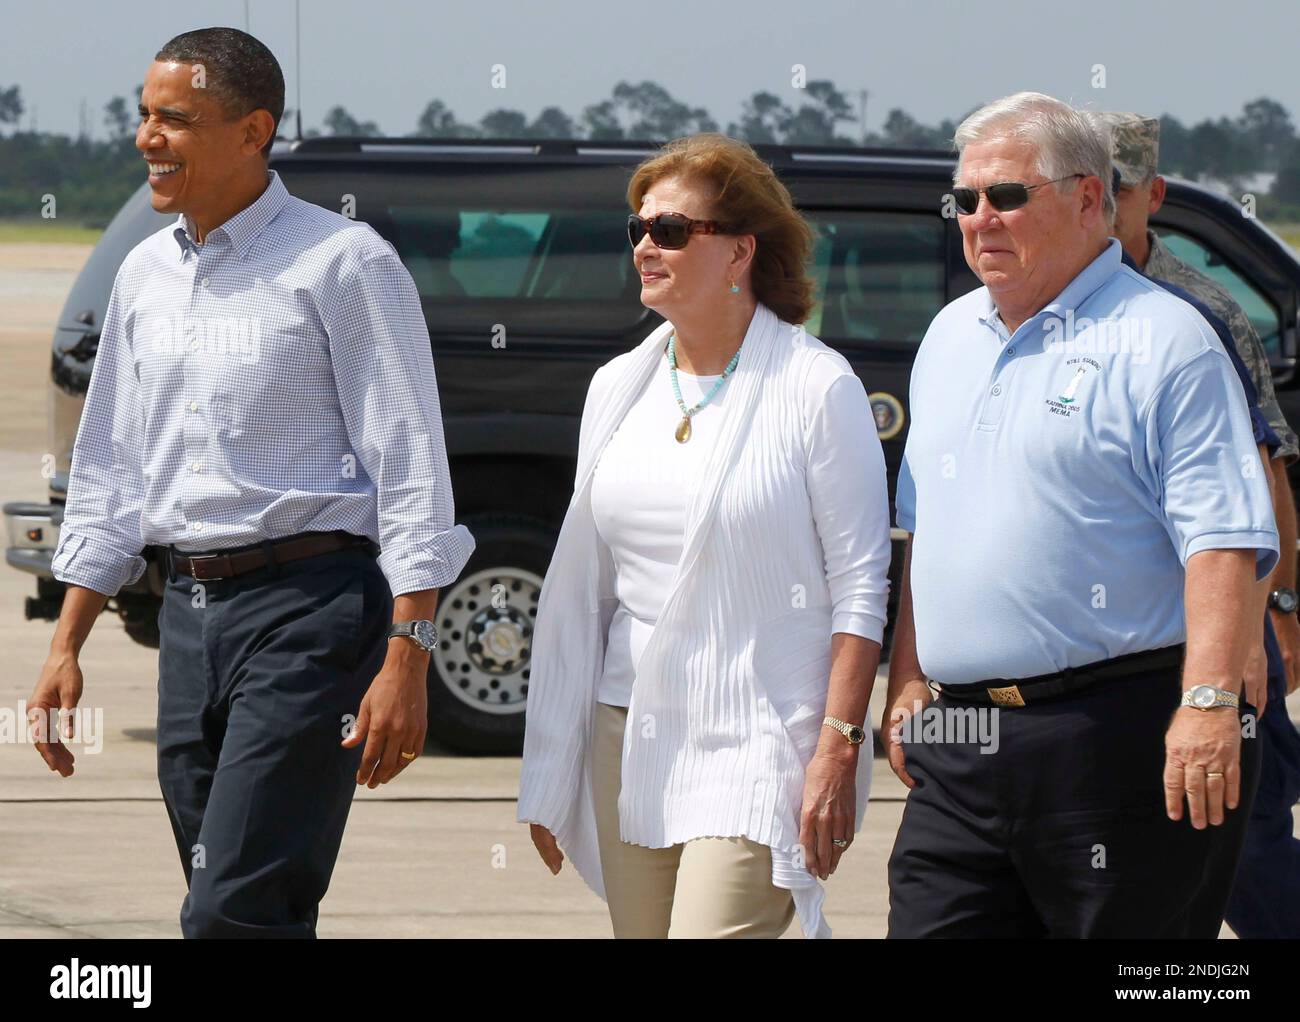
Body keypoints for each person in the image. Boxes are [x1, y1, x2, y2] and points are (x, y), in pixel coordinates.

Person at [25, 27, 473, 938]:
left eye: (175, 119)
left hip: (311, 613)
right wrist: (66, 640)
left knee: (235, 909)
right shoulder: (144, 275)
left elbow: (412, 467)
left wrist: (407, 655)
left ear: (252, 130)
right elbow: (111, 467)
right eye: (143, 115)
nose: (147, 137)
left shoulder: (343, 263)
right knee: (234, 898)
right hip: (187, 619)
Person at [884, 92, 1278, 938]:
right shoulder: (949, 336)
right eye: (965, 200)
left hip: (1120, 737)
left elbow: (1223, 541)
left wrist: (1209, 705)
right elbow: (928, 529)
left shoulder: (1168, 339)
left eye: (1008, 196)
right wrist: (910, 676)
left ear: (1090, 198)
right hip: (959, 743)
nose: (980, 218)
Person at [517, 134, 892, 938]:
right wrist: (553, 765)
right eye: (639, 230)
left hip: (763, 734)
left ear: (739, 252)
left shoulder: (816, 386)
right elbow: (588, 589)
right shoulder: (618, 387)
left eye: (673, 231)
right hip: (631, 732)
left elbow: (862, 585)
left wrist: (837, 746)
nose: (647, 246)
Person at [1102, 111, 1300, 939]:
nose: (1094, 208)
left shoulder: (1202, 310)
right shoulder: (1023, 302)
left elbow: (1264, 475)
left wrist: (1270, 617)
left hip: (1213, 627)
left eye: (1109, 191)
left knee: (1244, 830)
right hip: (1107, 644)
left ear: (1150, 195)